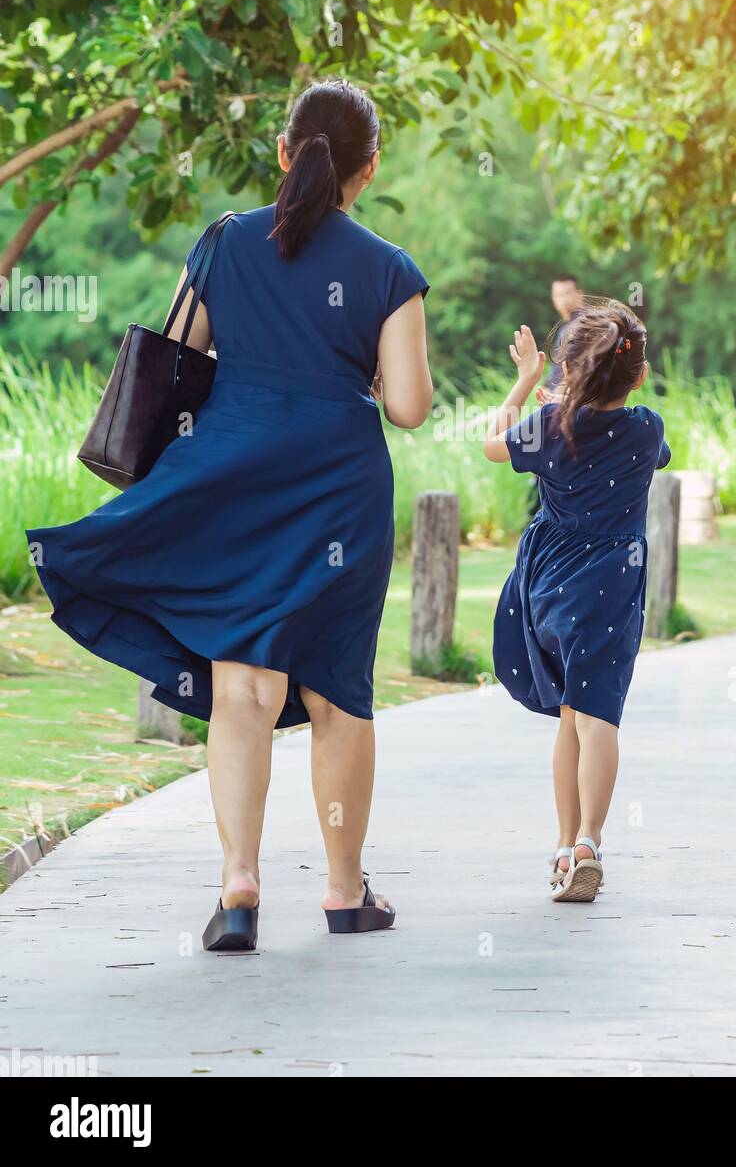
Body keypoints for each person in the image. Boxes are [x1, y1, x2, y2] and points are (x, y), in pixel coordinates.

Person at [25, 79, 432, 950]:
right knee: (335, 693)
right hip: (337, 490)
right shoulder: (389, 270)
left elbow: (179, 354)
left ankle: (239, 886)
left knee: (241, 687)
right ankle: (341, 890)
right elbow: (407, 405)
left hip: (234, 472)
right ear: (367, 171)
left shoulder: (225, 241)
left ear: (284, 153)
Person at [484, 301, 670, 903]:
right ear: (636, 375)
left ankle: (564, 849)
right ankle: (589, 841)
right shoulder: (647, 428)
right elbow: (636, 450)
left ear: (567, 367)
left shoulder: (546, 427)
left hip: (550, 583)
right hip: (612, 584)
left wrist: (527, 384)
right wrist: (567, 406)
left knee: (568, 716)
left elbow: (493, 443)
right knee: (597, 715)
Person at [544, 273, 584, 391]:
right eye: (557, 295)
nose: (562, 299)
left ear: (580, 294)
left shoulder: (585, 325)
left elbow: (578, 370)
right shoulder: (564, 327)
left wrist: (555, 398)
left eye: (567, 293)